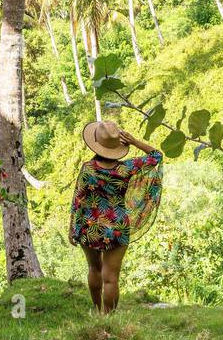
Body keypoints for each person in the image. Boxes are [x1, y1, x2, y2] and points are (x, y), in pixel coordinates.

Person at [69, 119, 164, 313]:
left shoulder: (88, 169)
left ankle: (97, 312)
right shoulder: (127, 168)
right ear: (117, 144)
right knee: (111, 277)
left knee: (94, 269)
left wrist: (73, 227)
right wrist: (135, 141)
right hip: (117, 227)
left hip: (90, 226)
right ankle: (108, 318)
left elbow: (78, 199)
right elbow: (156, 155)